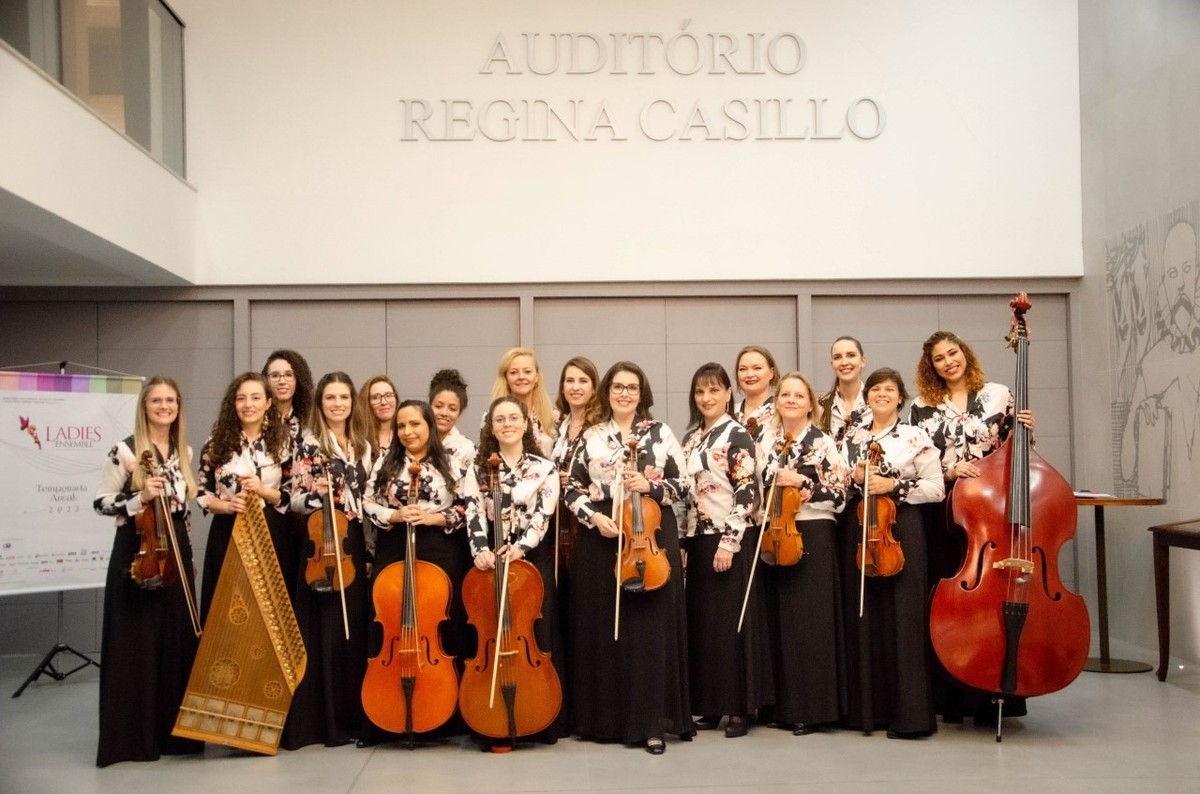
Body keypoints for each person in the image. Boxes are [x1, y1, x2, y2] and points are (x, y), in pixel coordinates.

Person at [563, 361, 693, 755]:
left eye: (631, 388)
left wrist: (650, 485)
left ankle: (650, 722)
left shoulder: (660, 432)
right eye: (617, 387)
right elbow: (569, 487)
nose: (623, 393)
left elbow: (684, 486)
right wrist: (593, 516)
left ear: (642, 393)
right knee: (605, 630)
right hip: (604, 537)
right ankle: (605, 720)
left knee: (647, 634)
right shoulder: (591, 435)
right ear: (607, 392)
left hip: (648, 534)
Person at [908, 330, 1034, 724]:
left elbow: (1021, 452)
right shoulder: (920, 407)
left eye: (953, 353)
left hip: (993, 510)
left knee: (992, 598)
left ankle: (994, 692)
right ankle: (950, 695)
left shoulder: (999, 395)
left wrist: (1028, 429)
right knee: (950, 601)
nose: (949, 362)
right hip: (945, 509)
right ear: (931, 368)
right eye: (939, 359)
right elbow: (915, 460)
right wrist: (949, 470)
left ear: (965, 353)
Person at [92, 377, 203, 767]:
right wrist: (140, 497)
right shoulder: (124, 450)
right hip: (137, 553)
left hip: (175, 551)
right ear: (145, 406)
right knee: (136, 644)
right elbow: (101, 502)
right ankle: (132, 741)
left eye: (171, 400)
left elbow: (184, 510)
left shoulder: (183, 450)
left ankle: (175, 738)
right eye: (156, 400)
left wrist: (187, 558)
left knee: (175, 642)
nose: (164, 406)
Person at [361, 400, 485, 742]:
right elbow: (367, 502)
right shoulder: (388, 462)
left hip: (439, 547)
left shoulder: (454, 461)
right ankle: (384, 717)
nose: (407, 432)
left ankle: (444, 716)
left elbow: (468, 506)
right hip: (395, 545)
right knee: (390, 620)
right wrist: (393, 516)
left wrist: (434, 517)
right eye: (401, 426)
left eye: (414, 424)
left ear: (429, 424)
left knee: (441, 623)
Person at [840, 367, 943, 739]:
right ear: (866, 397)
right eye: (875, 389)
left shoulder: (916, 435)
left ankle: (911, 717)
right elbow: (836, 485)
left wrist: (894, 486)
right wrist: (853, 478)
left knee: (903, 620)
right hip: (860, 528)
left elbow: (936, 488)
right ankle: (869, 713)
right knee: (864, 618)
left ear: (901, 397)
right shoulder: (852, 437)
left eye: (889, 389)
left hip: (901, 530)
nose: (882, 394)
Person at [466, 396, 565, 743]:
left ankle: (537, 716)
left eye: (513, 418)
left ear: (526, 424)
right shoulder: (478, 469)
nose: (507, 424)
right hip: (490, 561)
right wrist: (480, 550)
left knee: (531, 637)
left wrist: (521, 547)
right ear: (491, 428)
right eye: (499, 420)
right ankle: (492, 719)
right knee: (491, 632)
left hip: (528, 561)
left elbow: (543, 517)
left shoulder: (544, 468)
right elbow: (473, 512)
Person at [755, 371, 850, 735]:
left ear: (811, 403)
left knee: (808, 625)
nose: (791, 400)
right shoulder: (765, 440)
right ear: (777, 401)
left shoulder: (823, 442)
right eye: (785, 395)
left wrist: (804, 482)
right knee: (778, 622)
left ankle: (810, 708)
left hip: (811, 531)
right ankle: (779, 705)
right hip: (774, 533)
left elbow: (841, 497)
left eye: (798, 395)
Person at [283, 372, 373, 749]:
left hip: (353, 543)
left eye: (343, 397)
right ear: (320, 403)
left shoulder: (363, 446)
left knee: (353, 635)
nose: (337, 403)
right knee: (326, 633)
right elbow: (291, 501)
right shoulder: (308, 444)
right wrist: (318, 495)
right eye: (330, 397)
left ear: (353, 402)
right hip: (323, 542)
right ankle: (324, 722)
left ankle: (353, 716)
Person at [679, 363, 769, 739]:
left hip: (730, 538)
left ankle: (740, 706)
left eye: (714, 390)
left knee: (735, 626)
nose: (707, 398)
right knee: (707, 626)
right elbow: (684, 495)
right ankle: (713, 703)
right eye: (700, 392)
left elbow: (747, 491)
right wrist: (683, 542)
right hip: (699, 539)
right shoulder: (690, 438)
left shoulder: (738, 435)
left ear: (728, 393)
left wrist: (729, 542)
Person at [196, 373, 291, 623]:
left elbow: (291, 496)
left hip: (272, 531)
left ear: (268, 402)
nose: (248, 404)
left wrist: (263, 489)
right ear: (233, 404)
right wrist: (227, 506)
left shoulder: (284, 443)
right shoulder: (216, 443)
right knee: (228, 611)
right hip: (227, 532)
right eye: (241, 398)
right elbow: (203, 495)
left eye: (255, 397)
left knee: (269, 613)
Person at [491, 347, 557, 456]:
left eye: (527, 371)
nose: (521, 377)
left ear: (536, 377)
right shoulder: (493, 416)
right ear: (506, 378)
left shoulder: (553, 416)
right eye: (513, 372)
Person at [817, 336, 871, 444]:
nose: (844, 362)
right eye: (837, 357)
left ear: (863, 361)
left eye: (851, 355)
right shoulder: (819, 405)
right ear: (832, 365)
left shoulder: (876, 402)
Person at [430, 368, 476, 471]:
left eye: (452, 409)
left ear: (459, 413)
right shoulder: (417, 441)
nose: (444, 413)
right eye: (438, 406)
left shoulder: (467, 449)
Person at [732, 345, 779, 441]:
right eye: (743, 369)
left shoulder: (781, 411)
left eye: (757, 368)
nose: (749, 374)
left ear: (771, 373)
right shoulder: (729, 412)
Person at [360, 374, 399, 459]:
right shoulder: (358, 438)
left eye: (388, 395)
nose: (384, 402)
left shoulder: (404, 435)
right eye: (375, 398)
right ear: (366, 403)